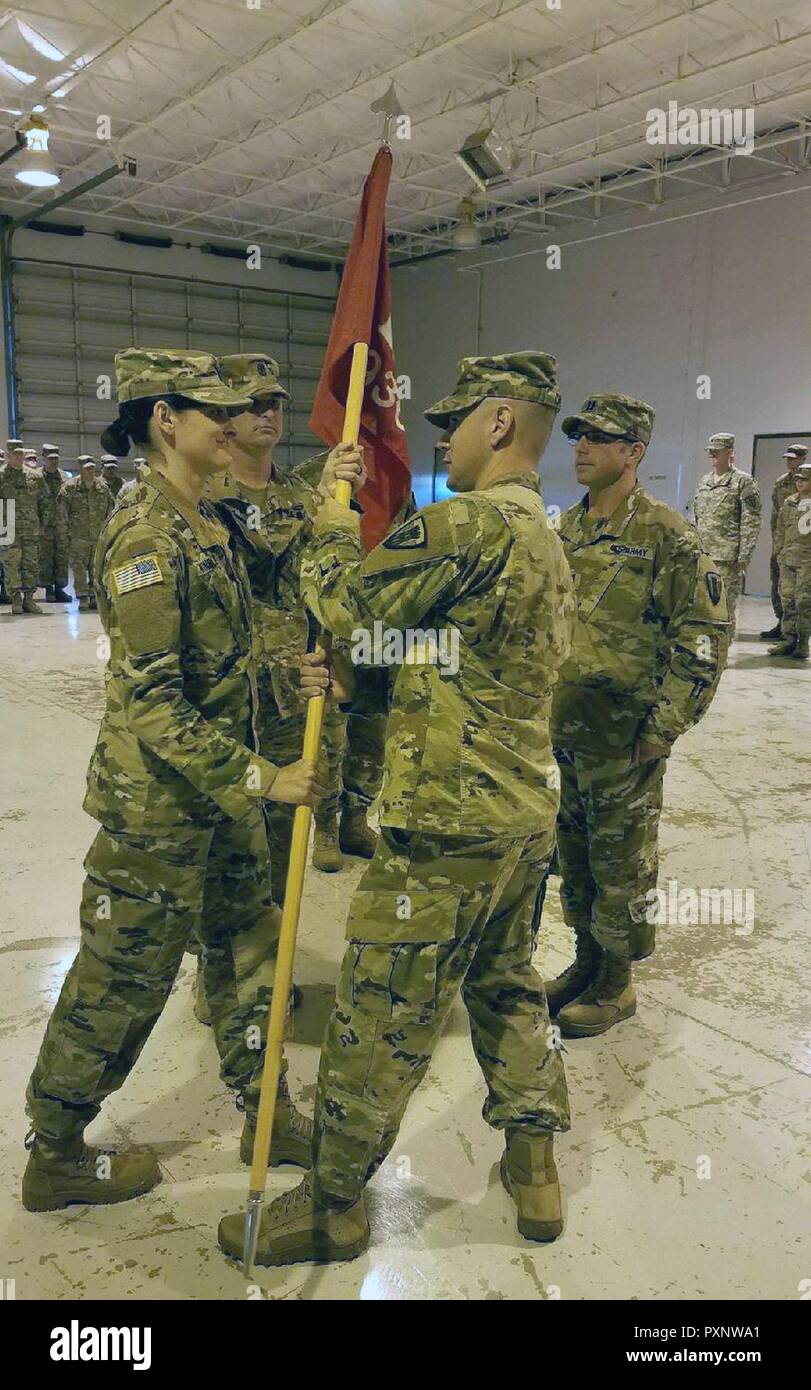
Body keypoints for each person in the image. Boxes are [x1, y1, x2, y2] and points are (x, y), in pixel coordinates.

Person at [218, 350, 576, 1268]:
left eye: (454, 422)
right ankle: (532, 1158)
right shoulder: (542, 533)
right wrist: (353, 675)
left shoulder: (464, 522)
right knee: (503, 983)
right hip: (520, 813)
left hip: (447, 826)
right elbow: (449, 640)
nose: (440, 441)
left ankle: (333, 1205)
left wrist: (332, 525)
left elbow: (341, 601)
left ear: (499, 423)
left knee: (379, 1011)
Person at [22, 349, 329, 1214]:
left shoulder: (209, 517)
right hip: (157, 809)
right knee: (120, 982)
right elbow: (152, 703)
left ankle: (267, 1110)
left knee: (248, 958)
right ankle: (55, 1152)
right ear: (165, 419)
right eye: (214, 411)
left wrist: (287, 680)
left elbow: (223, 660)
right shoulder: (146, 534)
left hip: (219, 800)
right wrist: (261, 776)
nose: (232, 425)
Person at [543, 395, 730, 1038]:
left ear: (635, 452)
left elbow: (703, 639)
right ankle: (585, 962)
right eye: (578, 437)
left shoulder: (666, 535)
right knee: (574, 857)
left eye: (601, 438)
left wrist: (664, 726)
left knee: (622, 865)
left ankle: (617, 983)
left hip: (626, 739)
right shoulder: (565, 529)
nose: (583, 448)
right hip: (567, 729)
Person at [691, 432, 761, 632]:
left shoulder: (743, 482)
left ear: (730, 453)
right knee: (702, 605)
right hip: (703, 554)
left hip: (727, 556)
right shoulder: (704, 481)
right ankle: (705, 650)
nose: (712, 454)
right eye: (710, 451)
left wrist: (745, 554)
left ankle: (721, 652)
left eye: (717, 451)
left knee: (723, 607)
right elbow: (697, 517)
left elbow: (751, 520)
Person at [761, 443, 808, 640]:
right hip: (784, 544)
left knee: (803, 593)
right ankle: (782, 623)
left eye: (793, 458)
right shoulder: (781, 483)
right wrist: (776, 543)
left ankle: (801, 634)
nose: (790, 461)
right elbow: (776, 515)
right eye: (788, 458)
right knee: (779, 585)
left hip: (805, 548)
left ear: (803, 459)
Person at [767, 460, 811, 659]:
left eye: (805, 480)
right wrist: (779, 551)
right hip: (788, 559)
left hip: (807, 561)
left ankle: (803, 643)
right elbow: (781, 528)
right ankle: (788, 640)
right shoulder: (790, 502)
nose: (800, 482)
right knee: (787, 600)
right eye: (798, 479)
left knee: (804, 602)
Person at [59, 456, 113, 610]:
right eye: (86, 468)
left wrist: (107, 532)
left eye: (92, 468)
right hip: (78, 536)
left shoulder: (102, 487)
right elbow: (62, 513)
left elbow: (111, 509)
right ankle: (83, 597)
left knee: (96, 568)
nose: (90, 471)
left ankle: (94, 595)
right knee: (79, 568)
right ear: (81, 469)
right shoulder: (70, 487)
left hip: (97, 536)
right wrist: (65, 535)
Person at [0, 437, 46, 613]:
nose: (19, 458)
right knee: (11, 564)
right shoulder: (2, 476)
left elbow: (44, 502)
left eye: (21, 454)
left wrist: (43, 523)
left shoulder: (35, 477)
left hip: (30, 525)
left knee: (31, 563)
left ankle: (29, 599)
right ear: (9, 455)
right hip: (7, 524)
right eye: (15, 454)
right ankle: (16, 599)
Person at [39, 443, 72, 602]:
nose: (53, 462)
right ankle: (48, 589)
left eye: (56, 459)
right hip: (44, 526)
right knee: (45, 557)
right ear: (43, 458)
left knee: (61, 557)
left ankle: (60, 588)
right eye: (50, 459)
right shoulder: (37, 477)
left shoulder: (64, 477)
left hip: (61, 525)